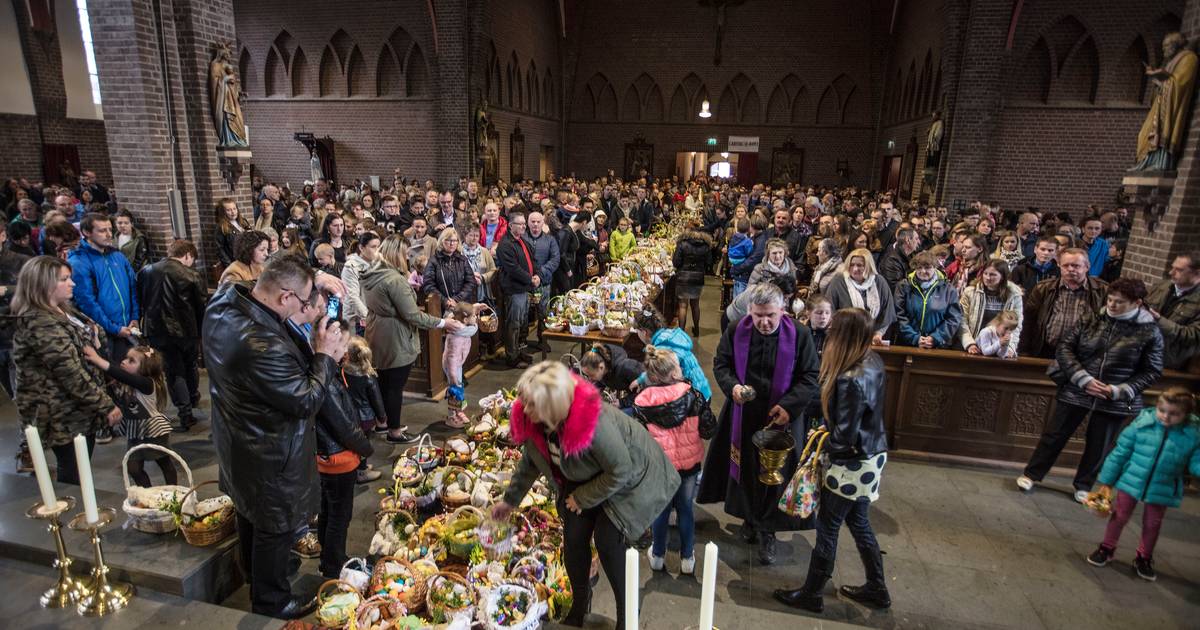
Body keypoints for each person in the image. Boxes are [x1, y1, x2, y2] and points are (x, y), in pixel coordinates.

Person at [203, 253, 348, 619]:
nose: (306, 307)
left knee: (250, 513)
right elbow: (305, 400)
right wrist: (325, 356)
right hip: (268, 447)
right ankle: (272, 600)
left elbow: (282, 271)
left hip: (237, 438)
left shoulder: (224, 302)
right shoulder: (259, 343)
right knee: (275, 523)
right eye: (303, 301)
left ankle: (257, 576)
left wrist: (313, 276)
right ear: (285, 297)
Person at [492, 361, 680, 629]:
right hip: (588, 475)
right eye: (524, 400)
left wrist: (582, 498)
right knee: (573, 536)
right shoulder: (536, 421)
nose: (524, 407)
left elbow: (621, 470)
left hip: (633, 479)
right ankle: (580, 607)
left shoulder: (594, 422)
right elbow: (530, 462)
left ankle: (627, 616)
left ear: (553, 406)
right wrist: (509, 502)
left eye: (532, 403)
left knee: (608, 542)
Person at [775, 308, 890, 612]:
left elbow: (845, 437)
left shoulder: (850, 379)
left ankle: (812, 593)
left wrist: (821, 448)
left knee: (828, 525)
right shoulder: (873, 360)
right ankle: (877, 587)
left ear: (844, 336)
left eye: (833, 332)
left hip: (851, 464)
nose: (827, 336)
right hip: (873, 454)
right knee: (859, 521)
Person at [699, 283, 820, 565]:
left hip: (784, 417)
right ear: (749, 312)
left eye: (770, 316)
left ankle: (769, 531)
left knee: (777, 474)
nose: (764, 323)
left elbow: (810, 375)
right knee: (747, 468)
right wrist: (732, 388)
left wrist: (789, 407)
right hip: (745, 414)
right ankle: (750, 520)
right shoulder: (736, 330)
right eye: (757, 316)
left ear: (782, 311)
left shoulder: (800, 335)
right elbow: (722, 364)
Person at [1018, 278, 1165, 503]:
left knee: (1100, 443)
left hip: (1114, 395)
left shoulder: (1149, 331)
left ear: (1137, 303)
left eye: (1120, 302)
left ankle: (1084, 484)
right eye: (1110, 299)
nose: (1113, 305)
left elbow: (1152, 370)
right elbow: (1066, 347)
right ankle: (1032, 474)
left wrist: (1119, 390)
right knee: (1055, 435)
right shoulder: (1092, 318)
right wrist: (1083, 378)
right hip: (1079, 387)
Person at [12, 257, 121, 484]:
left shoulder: (62, 310)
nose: (71, 283)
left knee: (81, 465)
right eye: (64, 279)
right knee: (74, 471)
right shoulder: (40, 322)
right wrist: (105, 404)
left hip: (79, 408)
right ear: (44, 284)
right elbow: (69, 372)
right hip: (62, 410)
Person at [1087, 388, 1199, 582]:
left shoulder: (1192, 435)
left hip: (1162, 484)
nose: (1166, 416)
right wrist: (1107, 481)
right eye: (1162, 410)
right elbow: (1120, 453)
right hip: (1131, 479)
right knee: (1119, 516)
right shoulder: (1141, 425)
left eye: (1174, 414)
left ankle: (1144, 557)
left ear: (1186, 415)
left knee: (1152, 524)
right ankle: (1106, 547)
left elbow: (1196, 461)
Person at [361, 235, 464, 444]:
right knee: (395, 387)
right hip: (395, 337)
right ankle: (395, 431)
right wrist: (444, 323)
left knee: (383, 381)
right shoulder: (394, 280)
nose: (408, 258)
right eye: (406, 254)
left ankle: (383, 423)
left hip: (376, 331)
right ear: (396, 254)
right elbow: (413, 315)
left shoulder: (370, 274)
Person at [633, 346, 716, 576]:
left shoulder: (642, 402)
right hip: (689, 466)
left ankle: (658, 556)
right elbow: (709, 429)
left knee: (661, 510)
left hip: (660, 468)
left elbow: (638, 442)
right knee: (685, 509)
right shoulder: (692, 395)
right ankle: (687, 558)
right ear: (672, 373)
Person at [310, 318, 374, 580]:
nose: (347, 351)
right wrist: (365, 448)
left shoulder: (327, 370)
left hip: (330, 455)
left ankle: (327, 557)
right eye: (344, 345)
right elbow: (343, 426)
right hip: (338, 457)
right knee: (339, 514)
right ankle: (334, 563)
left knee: (328, 509)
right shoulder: (327, 379)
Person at [81, 344, 177, 487]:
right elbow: (114, 366)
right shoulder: (129, 380)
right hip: (135, 430)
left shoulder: (147, 383)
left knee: (164, 462)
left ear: (145, 368)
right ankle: (148, 494)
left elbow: (118, 373)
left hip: (153, 430)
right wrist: (98, 346)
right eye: (126, 358)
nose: (124, 362)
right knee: (134, 469)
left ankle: (175, 492)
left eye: (131, 361)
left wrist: (96, 359)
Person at [136, 239, 206, 431]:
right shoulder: (192, 275)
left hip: (157, 330)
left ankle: (184, 412)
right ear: (187, 255)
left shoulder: (146, 271)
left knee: (173, 372)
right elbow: (200, 307)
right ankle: (191, 402)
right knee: (189, 366)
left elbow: (141, 299)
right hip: (187, 331)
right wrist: (202, 331)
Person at [69, 213, 140, 370]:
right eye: (102, 230)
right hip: (105, 334)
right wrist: (114, 328)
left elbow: (132, 288)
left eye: (110, 229)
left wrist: (135, 317)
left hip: (128, 327)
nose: (109, 234)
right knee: (116, 379)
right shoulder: (79, 262)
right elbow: (87, 303)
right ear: (87, 232)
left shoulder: (117, 255)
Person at [1019, 248, 1107, 359]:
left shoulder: (1102, 291)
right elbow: (1028, 321)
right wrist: (1024, 351)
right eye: (1066, 265)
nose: (1070, 269)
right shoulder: (1043, 288)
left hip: (1083, 356)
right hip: (1046, 351)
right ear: (1059, 266)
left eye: (1076, 266)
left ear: (1087, 267)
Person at [632, 306, 712, 401]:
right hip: (702, 389)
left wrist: (640, 380)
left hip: (695, 398)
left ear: (644, 332)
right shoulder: (669, 336)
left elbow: (657, 373)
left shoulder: (661, 349)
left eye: (637, 331)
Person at [825, 248, 896, 344]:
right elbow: (829, 310)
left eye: (859, 265)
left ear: (868, 266)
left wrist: (879, 333)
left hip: (873, 339)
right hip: (845, 339)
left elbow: (887, 312)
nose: (855, 269)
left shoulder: (879, 281)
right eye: (852, 265)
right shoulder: (839, 281)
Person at [894, 251, 962, 349]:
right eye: (919, 268)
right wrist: (914, 338)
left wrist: (935, 337)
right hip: (907, 344)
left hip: (938, 346)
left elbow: (954, 318)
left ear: (935, 267)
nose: (923, 271)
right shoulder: (903, 286)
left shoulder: (948, 289)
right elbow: (899, 315)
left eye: (927, 268)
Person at [1144, 253, 1200, 370]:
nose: (1171, 273)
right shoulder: (1161, 286)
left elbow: (1193, 336)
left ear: (1197, 273)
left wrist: (1159, 320)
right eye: (1172, 267)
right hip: (1141, 347)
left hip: (1168, 359)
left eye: (1179, 270)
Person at [959, 259, 1024, 357]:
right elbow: (962, 320)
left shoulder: (1014, 295)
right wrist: (969, 343)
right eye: (985, 273)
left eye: (993, 275)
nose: (988, 278)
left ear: (1002, 277)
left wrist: (1010, 347)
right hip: (975, 345)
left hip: (999, 346)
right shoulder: (970, 292)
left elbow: (1016, 325)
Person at [496, 212, 536, 368]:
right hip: (514, 289)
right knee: (513, 324)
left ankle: (519, 352)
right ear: (510, 225)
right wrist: (530, 278)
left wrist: (537, 274)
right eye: (520, 224)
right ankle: (511, 356)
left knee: (521, 322)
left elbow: (532, 260)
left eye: (524, 224)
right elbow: (513, 269)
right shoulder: (505, 244)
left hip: (524, 288)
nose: (524, 226)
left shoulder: (521, 240)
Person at [672, 220, 713, 336]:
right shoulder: (705, 244)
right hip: (698, 277)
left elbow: (676, 262)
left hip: (683, 276)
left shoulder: (682, 243)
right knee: (695, 304)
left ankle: (681, 332)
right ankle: (697, 329)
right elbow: (709, 262)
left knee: (682, 305)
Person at [422, 228, 478, 311]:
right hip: (441, 307)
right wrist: (445, 301)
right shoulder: (433, 261)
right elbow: (428, 285)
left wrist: (456, 299)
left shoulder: (462, 260)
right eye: (448, 240)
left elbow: (471, 282)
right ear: (442, 241)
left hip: (462, 306)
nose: (452, 243)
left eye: (455, 240)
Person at [442, 302, 478, 428]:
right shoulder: (457, 335)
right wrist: (453, 377)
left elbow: (467, 322)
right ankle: (451, 416)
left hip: (457, 364)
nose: (476, 319)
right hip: (452, 365)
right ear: (465, 319)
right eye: (474, 316)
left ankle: (459, 411)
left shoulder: (461, 326)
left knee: (459, 389)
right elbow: (452, 357)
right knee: (454, 391)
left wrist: (476, 307)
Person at [341, 231, 381, 334]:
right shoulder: (350, 267)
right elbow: (353, 297)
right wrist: (369, 317)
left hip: (374, 317)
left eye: (378, 247)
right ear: (362, 248)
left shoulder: (378, 264)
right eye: (373, 247)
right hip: (357, 320)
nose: (377, 250)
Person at [214, 198, 250, 267]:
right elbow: (219, 249)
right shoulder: (221, 227)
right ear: (223, 212)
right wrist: (230, 265)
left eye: (234, 209)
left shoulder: (243, 222)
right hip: (235, 263)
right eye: (229, 210)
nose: (233, 212)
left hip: (248, 260)